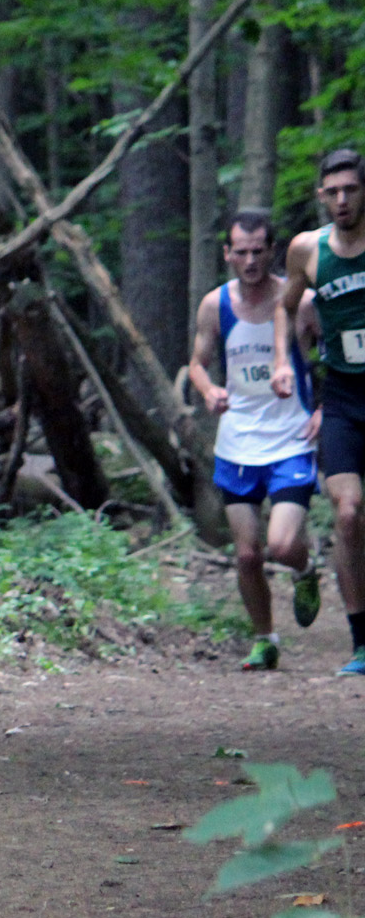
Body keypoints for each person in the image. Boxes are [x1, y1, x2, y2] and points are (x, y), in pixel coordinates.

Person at [190, 210, 320, 670]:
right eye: (239, 252)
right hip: (238, 441)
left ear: (272, 251)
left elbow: (336, 358)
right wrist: (210, 391)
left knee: (281, 545)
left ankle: (305, 571)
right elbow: (198, 362)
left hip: (290, 439)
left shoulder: (299, 302)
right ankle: (265, 639)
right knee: (247, 554)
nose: (249, 260)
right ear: (227, 254)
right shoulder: (215, 305)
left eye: (257, 251)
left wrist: (325, 409)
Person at [275, 147, 365, 677]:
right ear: (319, 197)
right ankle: (360, 640)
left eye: (350, 189)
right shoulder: (307, 251)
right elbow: (287, 309)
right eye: (331, 192)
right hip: (343, 399)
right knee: (348, 514)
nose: (341, 200)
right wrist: (292, 365)